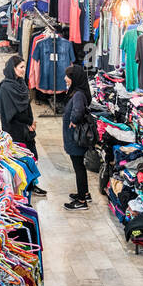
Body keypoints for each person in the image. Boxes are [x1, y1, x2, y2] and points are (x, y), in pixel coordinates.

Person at [0, 55, 46, 196]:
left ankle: (33, 183)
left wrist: (31, 123)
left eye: (24, 67)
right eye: (21, 67)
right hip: (14, 129)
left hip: (26, 128)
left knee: (32, 155)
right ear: (13, 68)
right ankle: (25, 186)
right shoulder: (5, 88)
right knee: (20, 158)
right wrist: (27, 124)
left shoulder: (21, 84)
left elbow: (26, 106)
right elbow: (10, 113)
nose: (24, 70)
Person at [62, 64, 92, 210]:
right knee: (80, 166)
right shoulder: (78, 92)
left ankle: (81, 201)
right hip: (75, 137)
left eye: (68, 76)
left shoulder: (78, 94)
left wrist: (73, 121)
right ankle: (84, 193)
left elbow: (78, 111)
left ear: (74, 78)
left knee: (78, 167)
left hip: (76, 138)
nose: (65, 78)